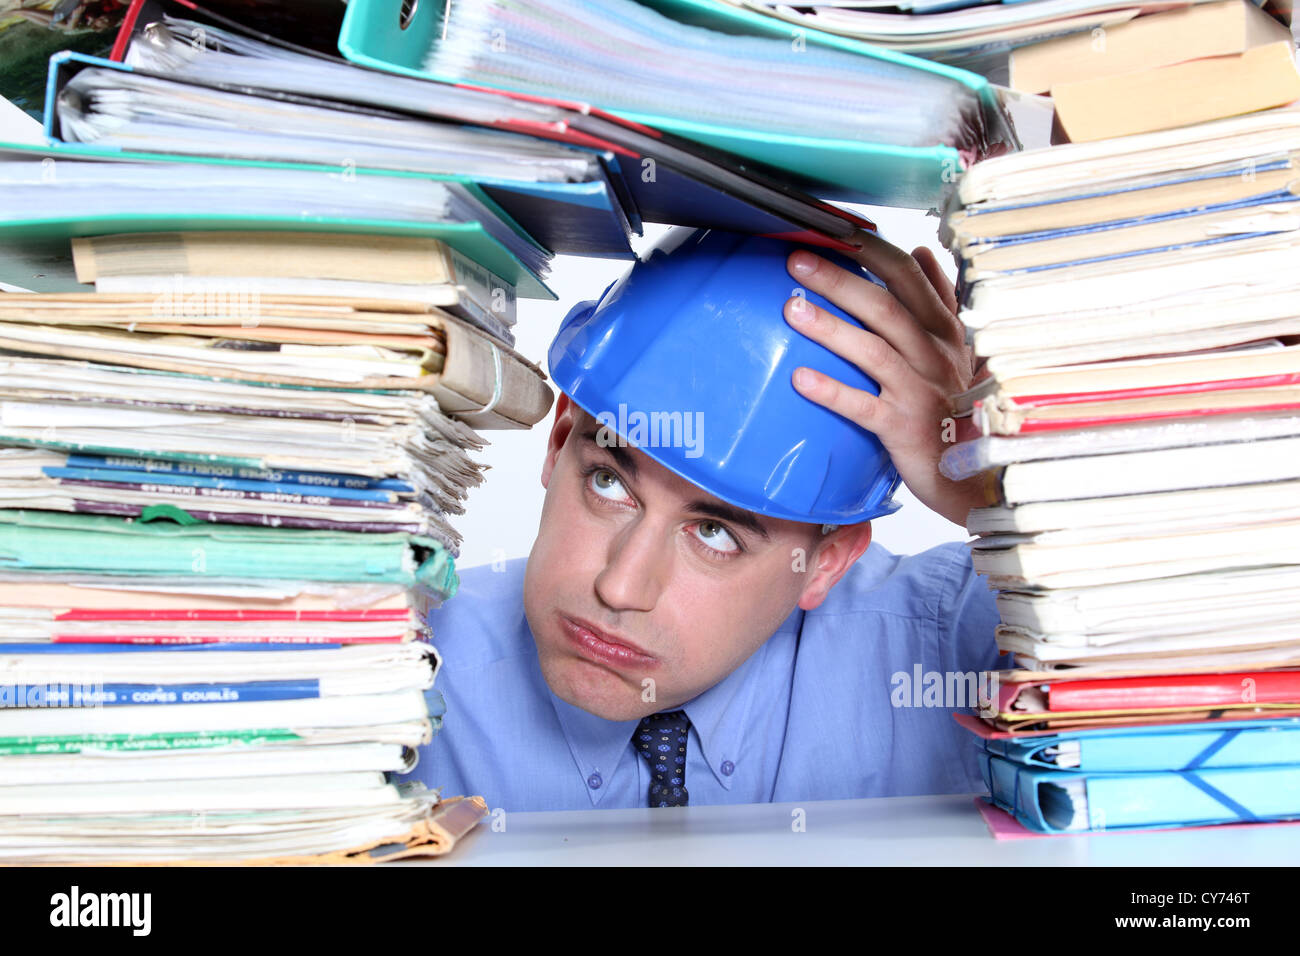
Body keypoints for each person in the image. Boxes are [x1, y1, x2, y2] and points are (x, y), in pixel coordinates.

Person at [405, 227, 1003, 812]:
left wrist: (998, 491)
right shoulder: (397, 663)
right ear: (560, 440)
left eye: (715, 533)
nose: (619, 588)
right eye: (608, 483)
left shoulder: (958, 648)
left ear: (826, 563)